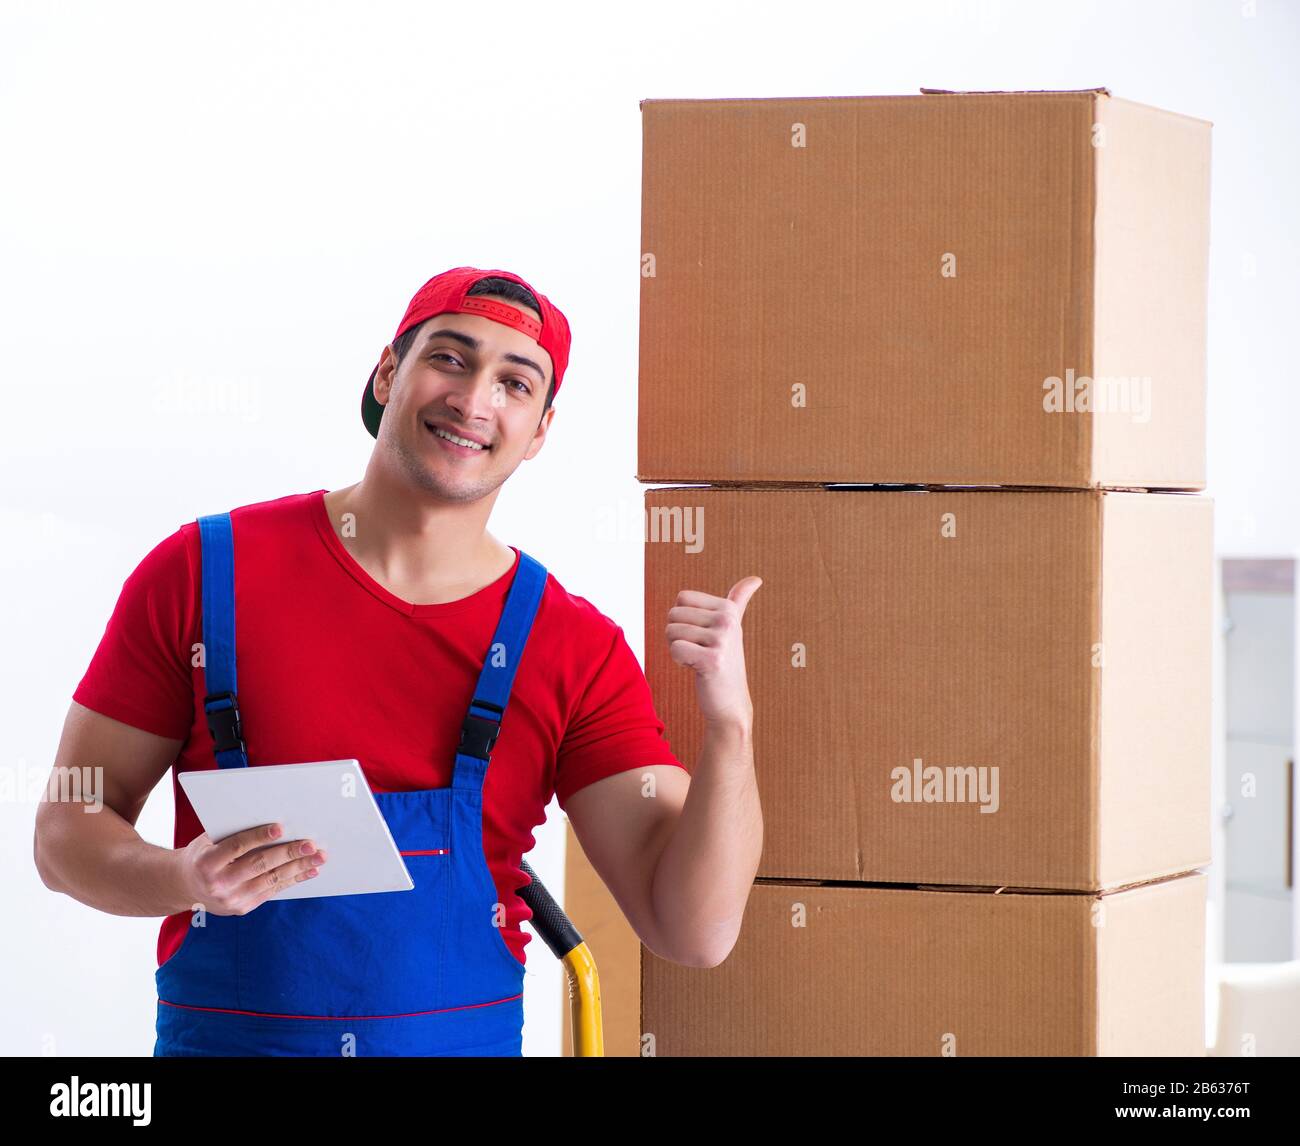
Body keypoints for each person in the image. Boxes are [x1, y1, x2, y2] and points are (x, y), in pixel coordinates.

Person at [34, 265, 764, 1057]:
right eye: (450, 359)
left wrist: (730, 729)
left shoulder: (569, 644)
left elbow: (694, 931)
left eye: (515, 384)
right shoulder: (205, 574)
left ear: (542, 430)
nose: (475, 399)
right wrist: (181, 879)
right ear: (389, 372)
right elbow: (64, 832)